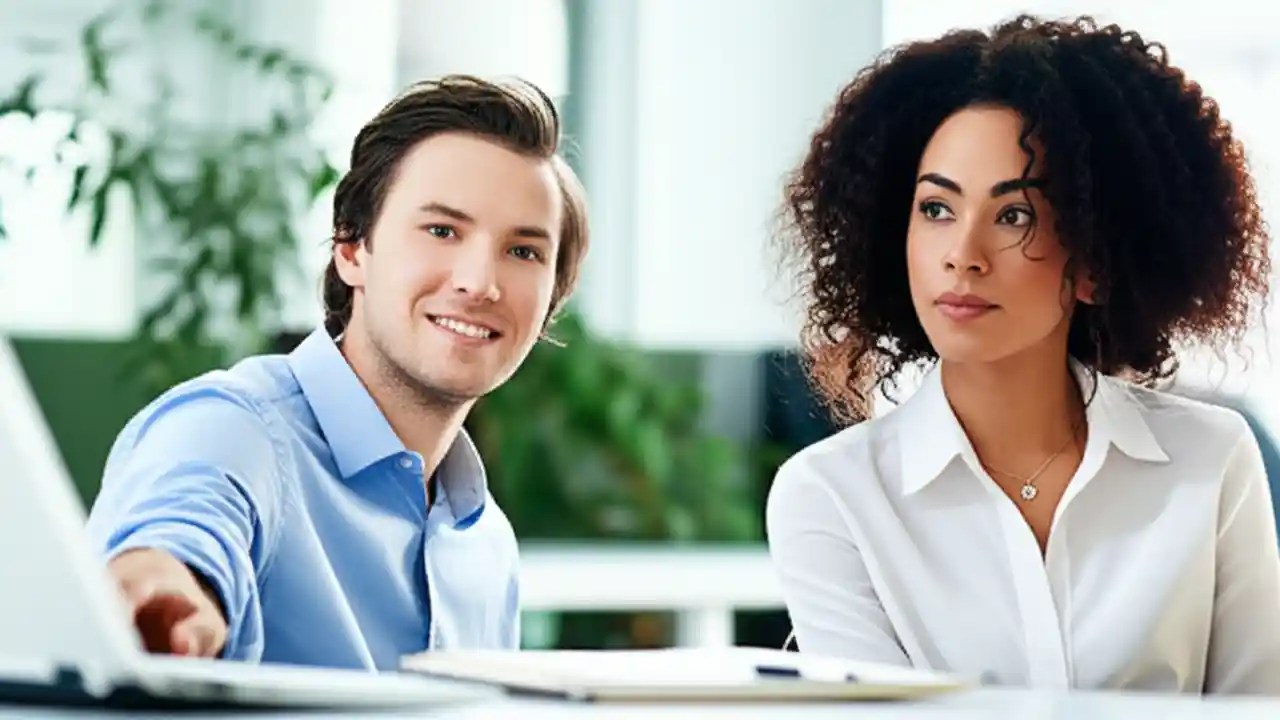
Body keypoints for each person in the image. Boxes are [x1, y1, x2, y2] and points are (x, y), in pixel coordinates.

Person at [766, 15, 1279, 694]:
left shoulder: (1211, 460)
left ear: (1095, 258)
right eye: (936, 209)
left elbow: (1256, 706)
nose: (962, 255)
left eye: (1014, 216)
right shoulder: (831, 496)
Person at [85, 75, 590, 670]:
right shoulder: (234, 431)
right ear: (352, 249)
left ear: (551, 300)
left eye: (524, 251)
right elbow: (174, 538)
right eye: (442, 231)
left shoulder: (484, 544)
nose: (479, 283)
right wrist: (159, 588)